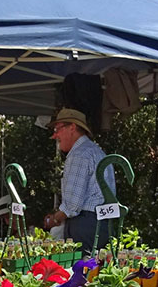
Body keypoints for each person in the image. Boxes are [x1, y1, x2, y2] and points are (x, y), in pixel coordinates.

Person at [42, 108, 114, 256]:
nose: (55, 135)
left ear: (72, 128)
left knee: (81, 273)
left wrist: (54, 220)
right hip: (104, 224)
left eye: (58, 129)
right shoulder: (96, 151)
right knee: (96, 272)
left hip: (86, 225)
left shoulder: (79, 155)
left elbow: (73, 205)